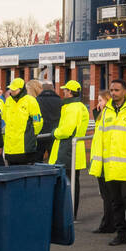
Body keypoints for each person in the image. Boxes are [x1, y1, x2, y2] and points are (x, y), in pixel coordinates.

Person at [89, 79, 126, 246]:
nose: (113, 93)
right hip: (110, 167)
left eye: (117, 90)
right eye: (111, 90)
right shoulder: (106, 113)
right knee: (115, 202)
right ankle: (121, 234)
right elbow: (98, 140)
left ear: (125, 91)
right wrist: (97, 165)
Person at [49, 80, 89, 216]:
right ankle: (71, 212)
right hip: (74, 149)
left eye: (65, 90)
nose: (63, 92)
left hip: (67, 149)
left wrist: (54, 132)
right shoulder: (80, 106)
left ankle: (68, 213)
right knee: (73, 183)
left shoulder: (72, 108)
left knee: (67, 183)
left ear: (70, 92)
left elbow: (67, 130)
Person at [1, 77, 43, 165]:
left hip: (25, 147)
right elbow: (4, 118)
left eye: (14, 90)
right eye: (11, 89)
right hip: (10, 147)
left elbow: (38, 120)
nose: (12, 91)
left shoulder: (30, 100)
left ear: (21, 89)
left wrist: (31, 134)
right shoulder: (8, 101)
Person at [34, 79, 62, 164]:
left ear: (42, 89)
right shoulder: (60, 101)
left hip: (40, 134)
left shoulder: (36, 101)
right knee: (54, 159)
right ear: (53, 89)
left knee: (38, 159)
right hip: (54, 134)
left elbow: (36, 117)